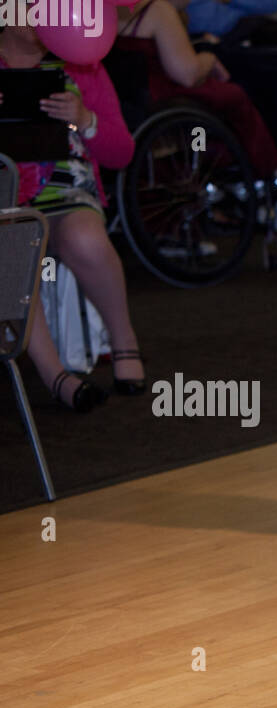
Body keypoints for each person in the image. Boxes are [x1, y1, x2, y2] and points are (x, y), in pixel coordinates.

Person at [0, 16, 141, 411]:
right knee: (13, 244)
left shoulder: (81, 66)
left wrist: (85, 119)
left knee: (85, 236)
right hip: (6, 197)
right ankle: (57, 377)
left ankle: (124, 340)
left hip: (67, 190)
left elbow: (122, 152)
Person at [113, 0, 277, 232]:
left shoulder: (104, 11)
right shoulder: (158, 10)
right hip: (163, 95)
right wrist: (209, 59)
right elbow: (187, 74)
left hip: (129, 98)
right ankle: (264, 172)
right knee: (235, 95)